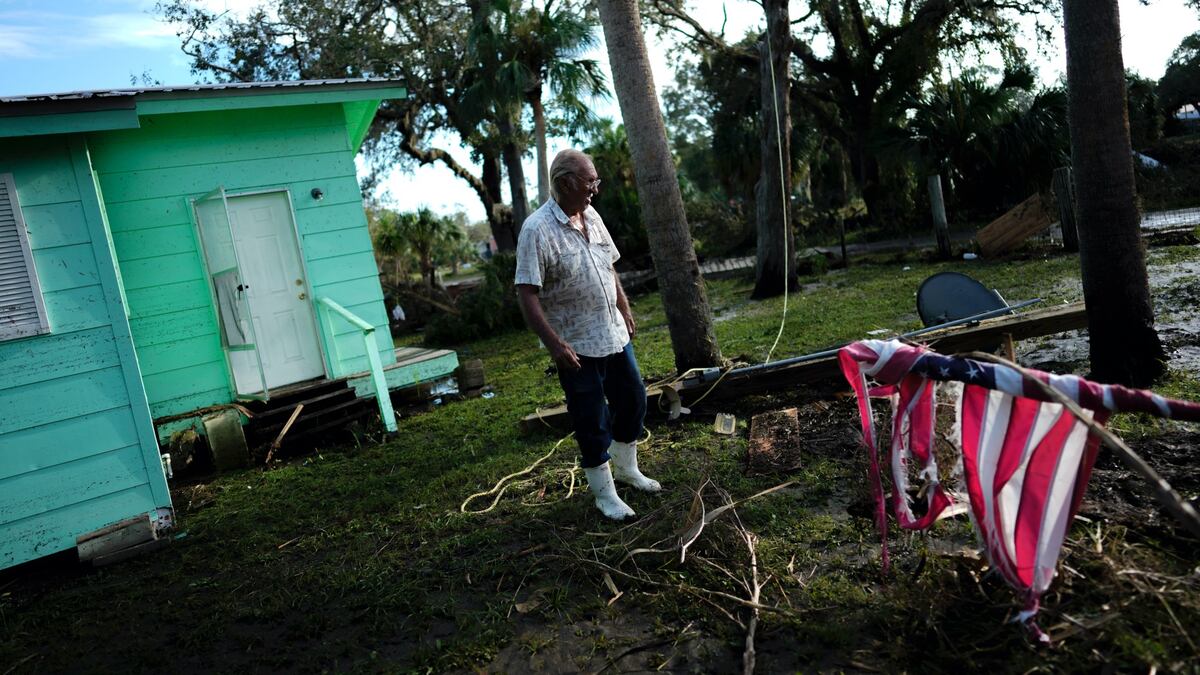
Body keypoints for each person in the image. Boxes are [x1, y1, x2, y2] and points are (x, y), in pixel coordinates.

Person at [515, 149, 660, 521]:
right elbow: (527, 293)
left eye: (596, 181)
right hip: (576, 345)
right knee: (591, 418)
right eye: (589, 182)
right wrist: (554, 343)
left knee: (633, 401)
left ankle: (628, 470)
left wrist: (624, 309)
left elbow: (609, 266)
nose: (595, 189)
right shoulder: (536, 229)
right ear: (565, 183)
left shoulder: (591, 215)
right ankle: (605, 494)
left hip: (612, 333)